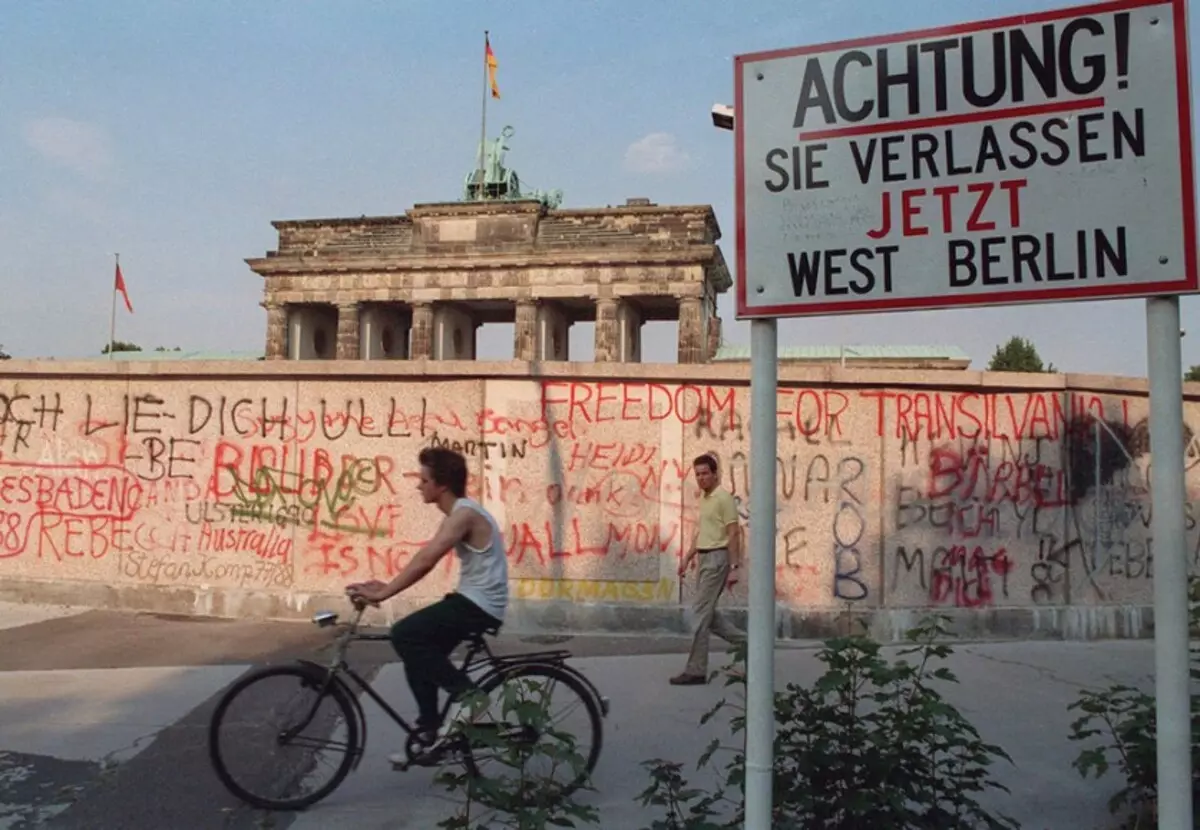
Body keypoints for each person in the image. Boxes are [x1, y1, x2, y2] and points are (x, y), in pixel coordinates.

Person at [345, 446, 508, 765]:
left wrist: (385, 593)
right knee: (417, 652)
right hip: (473, 600)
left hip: (479, 605)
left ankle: (470, 697)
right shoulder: (459, 513)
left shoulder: (464, 515)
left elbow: (427, 560)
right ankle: (430, 734)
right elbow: (425, 556)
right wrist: (385, 586)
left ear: (441, 484)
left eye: (423, 479)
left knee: (405, 633)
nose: (419, 485)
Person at [670, 452, 746, 686]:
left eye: (705, 473)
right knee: (709, 616)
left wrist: (734, 566)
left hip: (717, 559)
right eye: (698, 474)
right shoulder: (705, 498)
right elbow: (702, 533)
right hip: (704, 558)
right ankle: (751, 646)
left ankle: (696, 670)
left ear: (715, 474)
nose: (701, 478)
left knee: (699, 614)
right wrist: (687, 558)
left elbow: (733, 532)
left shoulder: (724, 498)